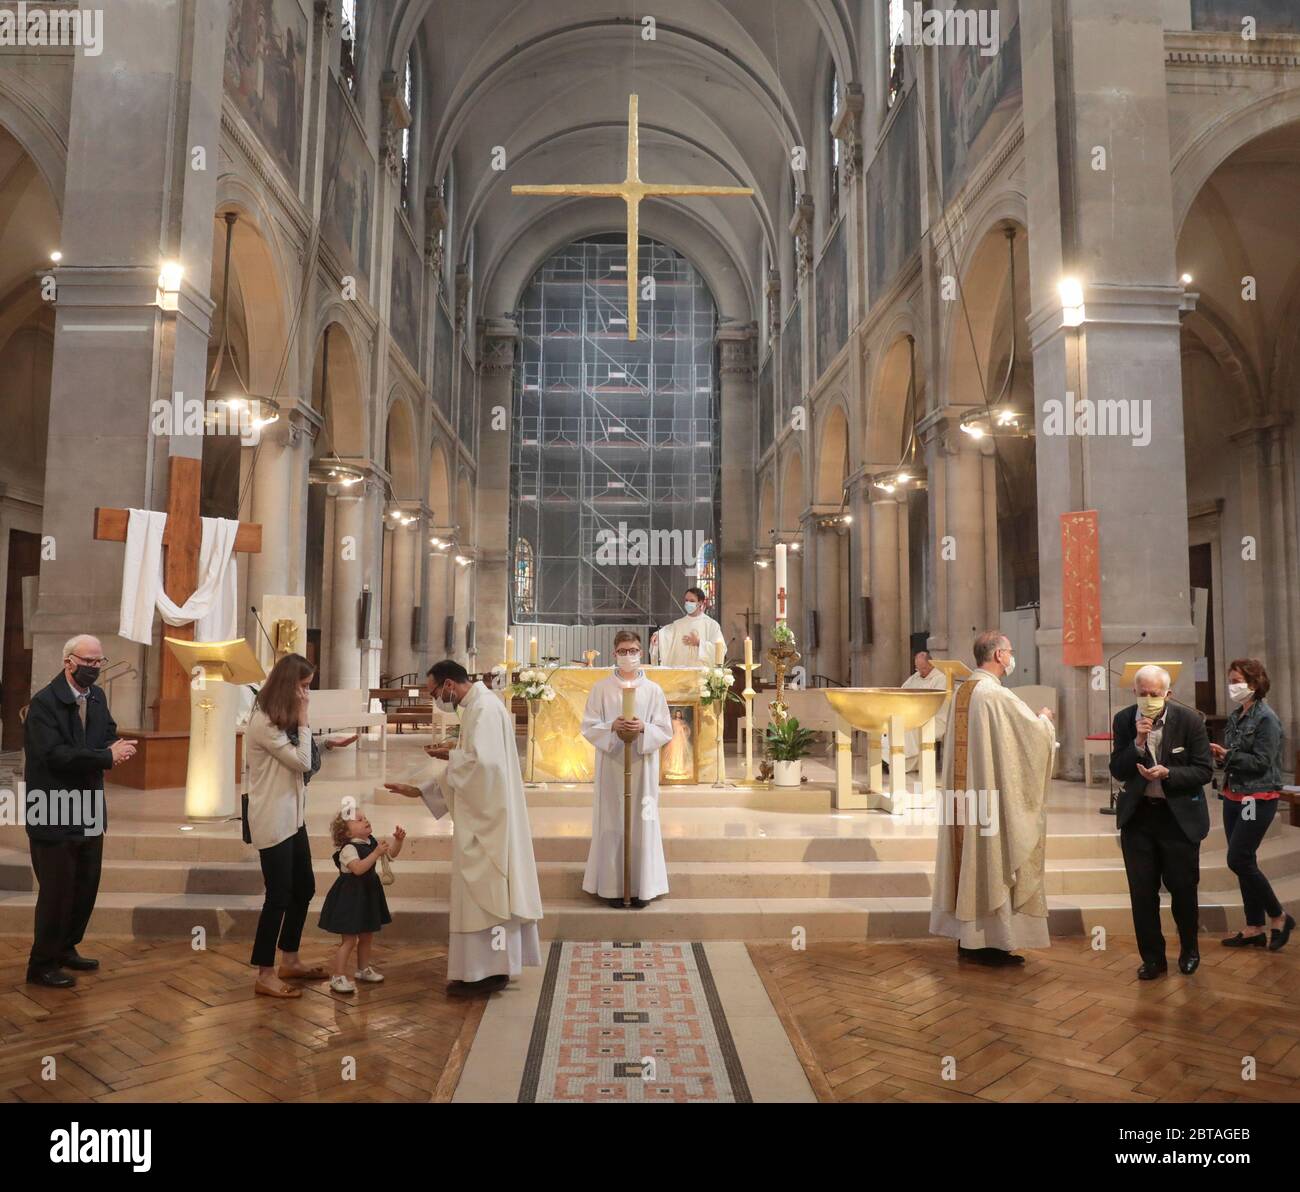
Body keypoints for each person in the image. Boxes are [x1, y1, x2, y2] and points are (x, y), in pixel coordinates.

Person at [385, 660, 543, 997]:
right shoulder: (478, 707)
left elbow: (483, 766)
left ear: (449, 686)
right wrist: (428, 783)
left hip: (487, 821)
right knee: (483, 894)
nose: (436, 699)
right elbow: (476, 760)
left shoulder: (483, 709)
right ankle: (487, 968)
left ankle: (487, 971)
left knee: (483, 894)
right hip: (484, 813)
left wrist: (450, 759)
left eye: (434, 692)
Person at [930, 630, 1055, 967]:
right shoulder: (995, 695)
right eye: (1010, 651)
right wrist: (1044, 721)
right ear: (999, 656)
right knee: (989, 860)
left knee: (970, 860)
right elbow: (1030, 738)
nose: (1012, 657)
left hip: (966, 800)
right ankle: (989, 942)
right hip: (988, 802)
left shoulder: (965, 690)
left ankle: (968, 938)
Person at [22, 635, 137, 988]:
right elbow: (55, 754)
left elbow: (107, 732)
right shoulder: (44, 704)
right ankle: (41, 965)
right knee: (57, 890)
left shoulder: (97, 697)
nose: (94, 669)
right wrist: (105, 756)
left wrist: (113, 747)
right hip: (53, 808)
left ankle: (66, 948)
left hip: (87, 806)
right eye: (88, 663)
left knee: (85, 885)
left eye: (99, 662)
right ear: (68, 662)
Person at [1109, 665, 1212, 979]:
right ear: (1134, 693)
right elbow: (1118, 769)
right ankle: (1153, 958)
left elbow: (1204, 770)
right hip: (1138, 817)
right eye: (1143, 693)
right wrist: (1138, 743)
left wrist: (1169, 773)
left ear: (1168, 694)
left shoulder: (1190, 721)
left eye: (1155, 694)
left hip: (1177, 818)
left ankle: (1190, 950)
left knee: (1183, 890)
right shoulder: (1125, 720)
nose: (1149, 699)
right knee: (1142, 893)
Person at [246, 653, 328, 998]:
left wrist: (324, 743)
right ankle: (265, 973)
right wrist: (307, 719)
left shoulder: (280, 717)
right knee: (277, 897)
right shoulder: (263, 721)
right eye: (304, 687)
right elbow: (301, 762)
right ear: (288, 685)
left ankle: (290, 959)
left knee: (304, 887)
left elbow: (304, 759)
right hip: (272, 817)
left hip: (292, 817)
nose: (307, 695)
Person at [580, 631, 673, 907]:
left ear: (640, 653)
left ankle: (642, 887)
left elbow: (665, 728)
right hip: (612, 764)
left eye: (633, 650)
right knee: (612, 820)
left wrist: (643, 727)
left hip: (642, 765)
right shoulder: (601, 688)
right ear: (614, 654)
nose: (628, 655)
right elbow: (588, 725)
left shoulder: (654, 690)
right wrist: (612, 727)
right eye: (623, 651)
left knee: (643, 820)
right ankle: (611, 887)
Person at [1212, 659, 1294, 952]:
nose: (1232, 686)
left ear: (1255, 683)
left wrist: (1229, 755)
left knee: (1239, 859)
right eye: (1230, 680)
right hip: (1234, 795)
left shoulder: (1266, 719)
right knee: (1246, 861)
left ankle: (1279, 916)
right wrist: (1222, 755)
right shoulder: (1237, 715)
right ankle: (1254, 927)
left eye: (1237, 681)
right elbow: (1236, 755)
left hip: (1256, 798)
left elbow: (1262, 762)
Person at [319, 807, 404, 994]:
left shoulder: (370, 842)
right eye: (358, 820)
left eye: (365, 818)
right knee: (349, 940)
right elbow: (357, 869)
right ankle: (338, 976)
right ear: (347, 832)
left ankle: (363, 969)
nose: (365, 820)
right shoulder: (348, 849)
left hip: (367, 896)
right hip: (350, 899)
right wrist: (375, 853)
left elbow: (392, 855)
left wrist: (398, 841)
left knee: (367, 936)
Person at [883, 649, 950, 771]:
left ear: (931, 664)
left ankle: (902, 765)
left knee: (908, 728)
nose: (920, 672)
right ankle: (888, 758)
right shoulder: (916, 676)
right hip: (913, 715)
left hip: (934, 718)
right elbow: (902, 691)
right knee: (892, 723)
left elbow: (936, 703)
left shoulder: (940, 678)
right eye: (917, 668)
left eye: (923, 668)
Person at [651, 587, 723, 667]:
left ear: (700, 603)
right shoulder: (678, 624)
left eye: (692, 601)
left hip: (702, 674)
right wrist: (657, 636)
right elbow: (665, 634)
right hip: (680, 672)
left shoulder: (711, 625)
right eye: (686, 600)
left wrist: (699, 643)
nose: (688, 603)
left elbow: (719, 649)